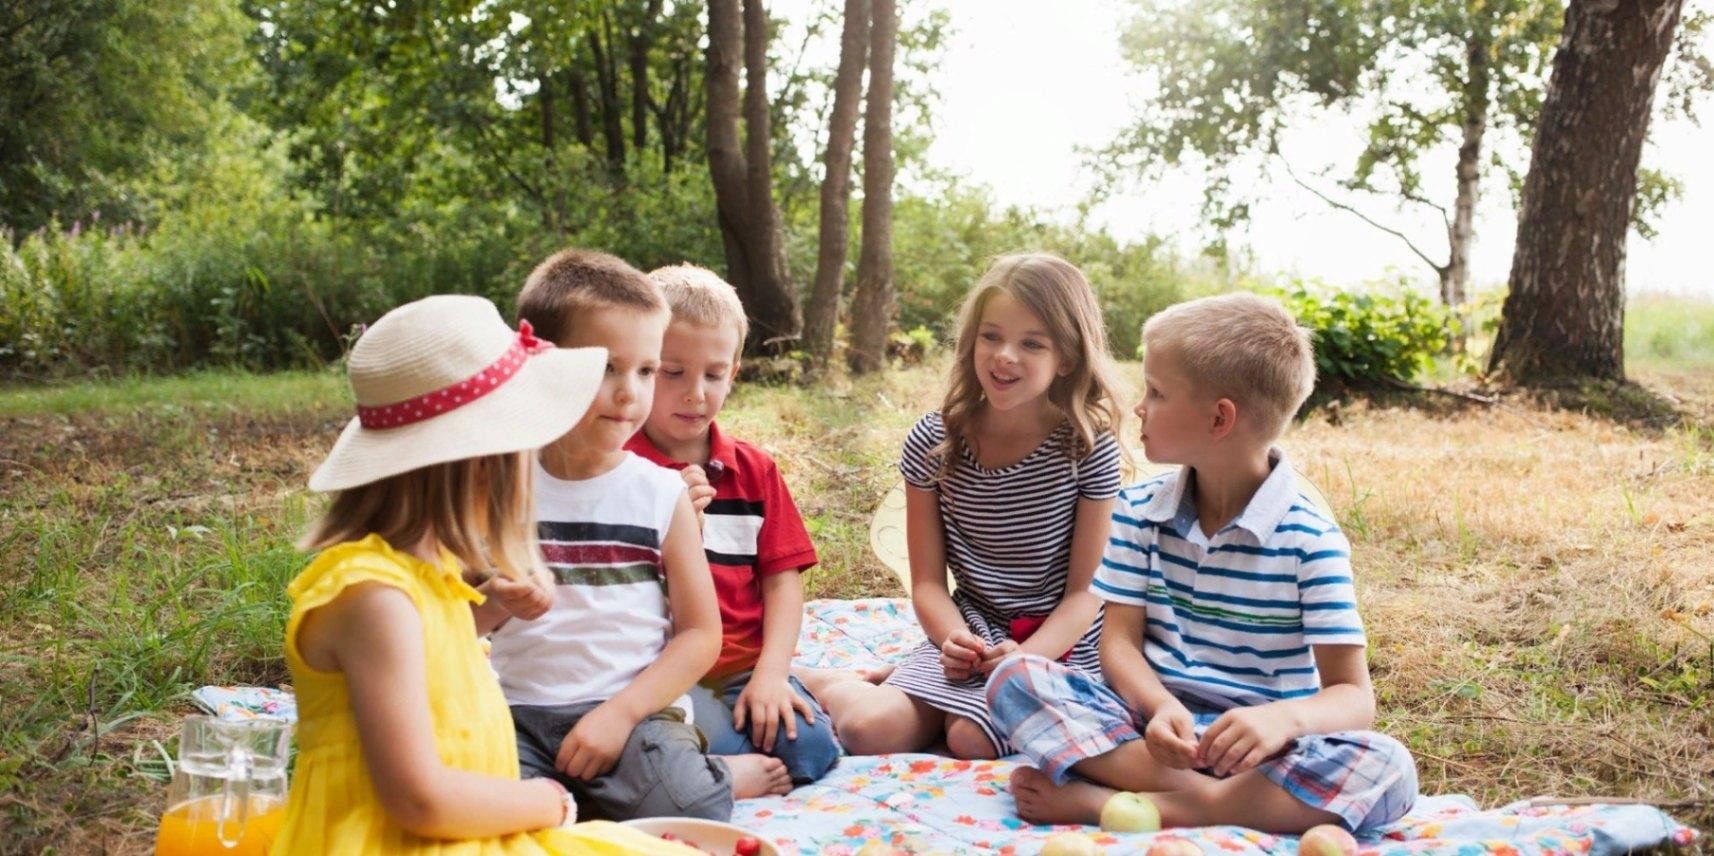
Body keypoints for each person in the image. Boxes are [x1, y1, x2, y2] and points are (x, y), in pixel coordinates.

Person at [275, 293, 696, 854]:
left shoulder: (421, 577)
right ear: (483, 464)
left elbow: (431, 660)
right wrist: (550, 802)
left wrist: (490, 609)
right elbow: (420, 801)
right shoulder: (373, 597)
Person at [984, 292, 1419, 834]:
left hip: (1263, 752)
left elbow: (1353, 696)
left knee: (1390, 770)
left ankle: (1134, 805)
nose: (1140, 406)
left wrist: (1281, 720)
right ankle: (1231, 805)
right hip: (1151, 734)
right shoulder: (1138, 510)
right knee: (1016, 677)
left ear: (1219, 418)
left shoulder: (1311, 541)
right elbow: (1117, 642)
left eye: (1157, 392)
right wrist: (1159, 705)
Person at [488, 250, 791, 824]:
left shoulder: (661, 492)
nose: (630, 393)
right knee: (489, 815)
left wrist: (619, 715)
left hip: (632, 711)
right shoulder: (500, 488)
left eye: (647, 371)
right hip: (518, 710)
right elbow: (456, 621)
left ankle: (714, 775)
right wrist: (498, 601)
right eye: (606, 367)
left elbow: (701, 634)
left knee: (689, 807)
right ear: (541, 365)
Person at [798, 252, 1127, 760]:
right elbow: (929, 582)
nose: (1004, 356)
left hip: (1061, 641)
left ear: (1066, 358)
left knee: (970, 739)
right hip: (970, 629)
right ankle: (828, 680)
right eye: (991, 336)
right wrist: (954, 640)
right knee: (868, 730)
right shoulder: (934, 442)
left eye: (1031, 343)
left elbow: (1086, 595)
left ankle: (931, 694)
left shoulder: (1087, 448)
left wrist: (1020, 661)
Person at [623, 264, 840, 785]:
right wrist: (676, 526)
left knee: (813, 751)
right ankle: (709, 768)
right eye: (672, 373)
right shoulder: (620, 469)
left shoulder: (754, 470)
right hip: (659, 669)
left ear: (735, 372)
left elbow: (782, 581)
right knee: (714, 740)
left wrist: (770, 674)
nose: (696, 393)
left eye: (714, 375)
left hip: (744, 666)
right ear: (642, 369)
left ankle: (799, 692)